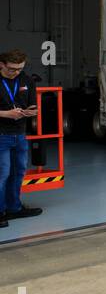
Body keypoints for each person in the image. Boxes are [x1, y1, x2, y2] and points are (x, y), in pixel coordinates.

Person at [0, 49, 42, 229]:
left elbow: (34, 106)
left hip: (20, 134)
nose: (16, 73)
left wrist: (32, 111)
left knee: (18, 173)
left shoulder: (26, 80)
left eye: (19, 69)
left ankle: (14, 207)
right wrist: (6, 114)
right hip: (1, 135)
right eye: (12, 69)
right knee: (2, 174)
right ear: (1, 65)